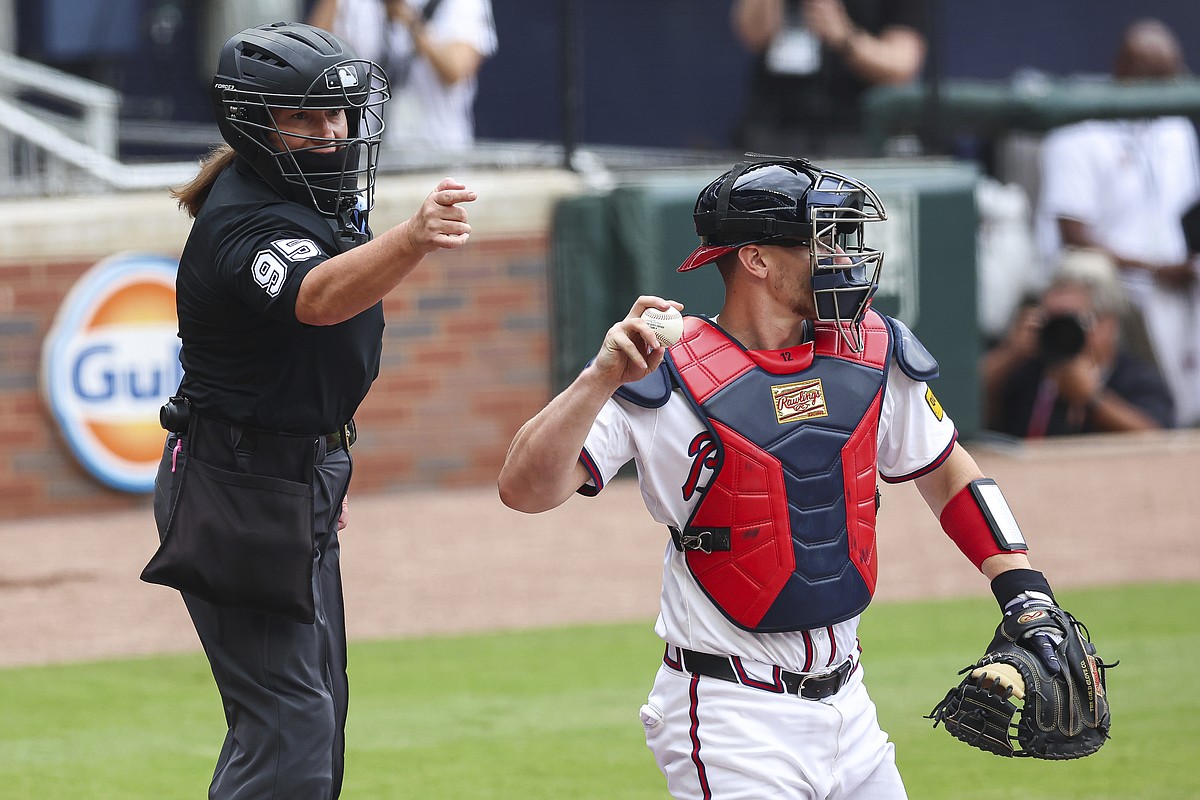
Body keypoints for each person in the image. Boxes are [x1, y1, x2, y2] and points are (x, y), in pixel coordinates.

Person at [498, 157, 1091, 798]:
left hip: (852, 710)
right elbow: (524, 490)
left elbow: (952, 477)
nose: (841, 256)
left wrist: (1025, 592)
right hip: (731, 719)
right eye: (821, 241)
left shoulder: (868, 349)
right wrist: (598, 378)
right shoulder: (658, 373)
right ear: (756, 259)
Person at [145, 22, 475, 799]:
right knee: (289, 726)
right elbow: (316, 299)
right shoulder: (242, 219)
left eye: (340, 116)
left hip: (291, 471)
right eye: (308, 119)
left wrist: (321, 459)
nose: (334, 133)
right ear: (255, 123)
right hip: (238, 481)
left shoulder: (305, 195)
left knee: (314, 720)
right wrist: (414, 238)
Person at [1035, 17, 1200, 426]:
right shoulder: (1078, 128)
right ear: (1128, 74)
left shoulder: (1177, 127)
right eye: (1160, 79)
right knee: (1098, 276)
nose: (1171, 89)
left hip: (1173, 282)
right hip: (1107, 287)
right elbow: (1073, 237)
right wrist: (1160, 270)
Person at [983, 248, 1175, 437]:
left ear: (1108, 323)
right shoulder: (1029, 366)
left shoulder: (1135, 377)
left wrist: (1093, 399)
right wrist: (1010, 353)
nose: (1061, 332)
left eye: (1073, 321)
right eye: (1052, 320)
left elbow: (1158, 439)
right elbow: (964, 400)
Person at [730, 0, 927, 157]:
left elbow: (902, 65)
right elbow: (752, 34)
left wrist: (844, 37)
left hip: (855, 132)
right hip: (772, 127)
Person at [308, 0, 497, 154]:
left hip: (438, 150)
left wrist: (406, 16)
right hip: (367, 151)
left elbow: (455, 71)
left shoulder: (461, 5)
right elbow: (313, 57)